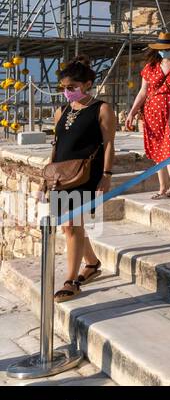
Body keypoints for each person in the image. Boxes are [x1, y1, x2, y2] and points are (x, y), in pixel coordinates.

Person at [46, 56, 115, 301]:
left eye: (72, 87)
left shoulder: (102, 109)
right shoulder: (60, 111)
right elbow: (57, 145)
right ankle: (93, 263)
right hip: (61, 176)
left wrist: (106, 175)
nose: (67, 92)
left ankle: (71, 280)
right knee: (68, 226)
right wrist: (49, 173)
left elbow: (108, 145)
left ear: (86, 84)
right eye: (64, 88)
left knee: (73, 225)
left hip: (86, 174)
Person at [125, 33, 170, 200]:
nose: (164, 52)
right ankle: (163, 188)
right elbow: (142, 92)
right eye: (161, 49)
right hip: (152, 113)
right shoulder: (150, 66)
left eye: (167, 49)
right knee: (158, 149)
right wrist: (132, 112)